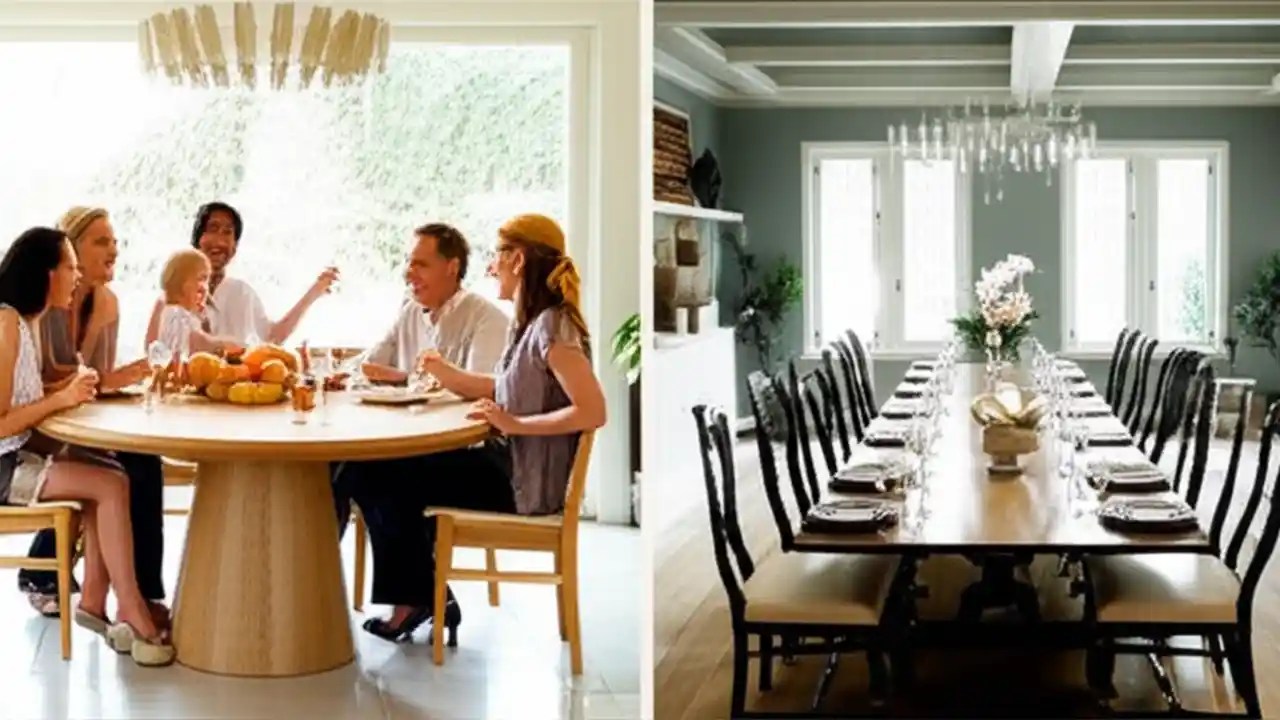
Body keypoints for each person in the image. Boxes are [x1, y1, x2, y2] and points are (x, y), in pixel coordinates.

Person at [335, 213, 606, 644]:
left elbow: (592, 410)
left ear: (518, 259)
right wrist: (454, 378)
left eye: (497, 256)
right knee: (377, 468)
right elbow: (507, 387)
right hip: (510, 467)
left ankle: (413, 600)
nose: (490, 267)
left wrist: (514, 423)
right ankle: (422, 596)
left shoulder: (553, 326)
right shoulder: (533, 322)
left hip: (523, 485)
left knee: (375, 473)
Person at [0, 226, 173, 666]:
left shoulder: (26, 323)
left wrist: (72, 391)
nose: (77, 277)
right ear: (47, 273)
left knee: (114, 474)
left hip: (16, 456)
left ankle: (96, 599)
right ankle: (129, 609)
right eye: (71, 267)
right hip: (3, 468)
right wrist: (61, 398)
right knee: (110, 485)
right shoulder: (5, 322)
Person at [332, 223, 510, 536]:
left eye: (420, 264)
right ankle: (320, 573)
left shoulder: (486, 318)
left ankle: (411, 584)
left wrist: (406, 378)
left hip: (465, 454)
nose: (408, 273)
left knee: (365, 475)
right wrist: (338, 373)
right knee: (337, 466)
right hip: (410, 445)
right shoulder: (411, 311)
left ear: (452, 267)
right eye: (408, 262)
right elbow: (369, 363)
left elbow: (478, 393)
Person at [145, 201, 338, 345]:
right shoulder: (169, 299)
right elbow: (152, 358)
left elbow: (272, 338)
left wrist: (313, 293)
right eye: (212, 229)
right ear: (197, 240)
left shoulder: (241, 293)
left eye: (228, 232)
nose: (220, 241)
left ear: (235, 247)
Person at [154, 249, 242, 355]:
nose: (205, 289)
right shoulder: (177, 314)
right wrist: (230, 345)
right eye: (201, 278)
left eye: (206, 281)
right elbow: (199, 343)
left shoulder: (179, 313)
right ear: (178, 283)